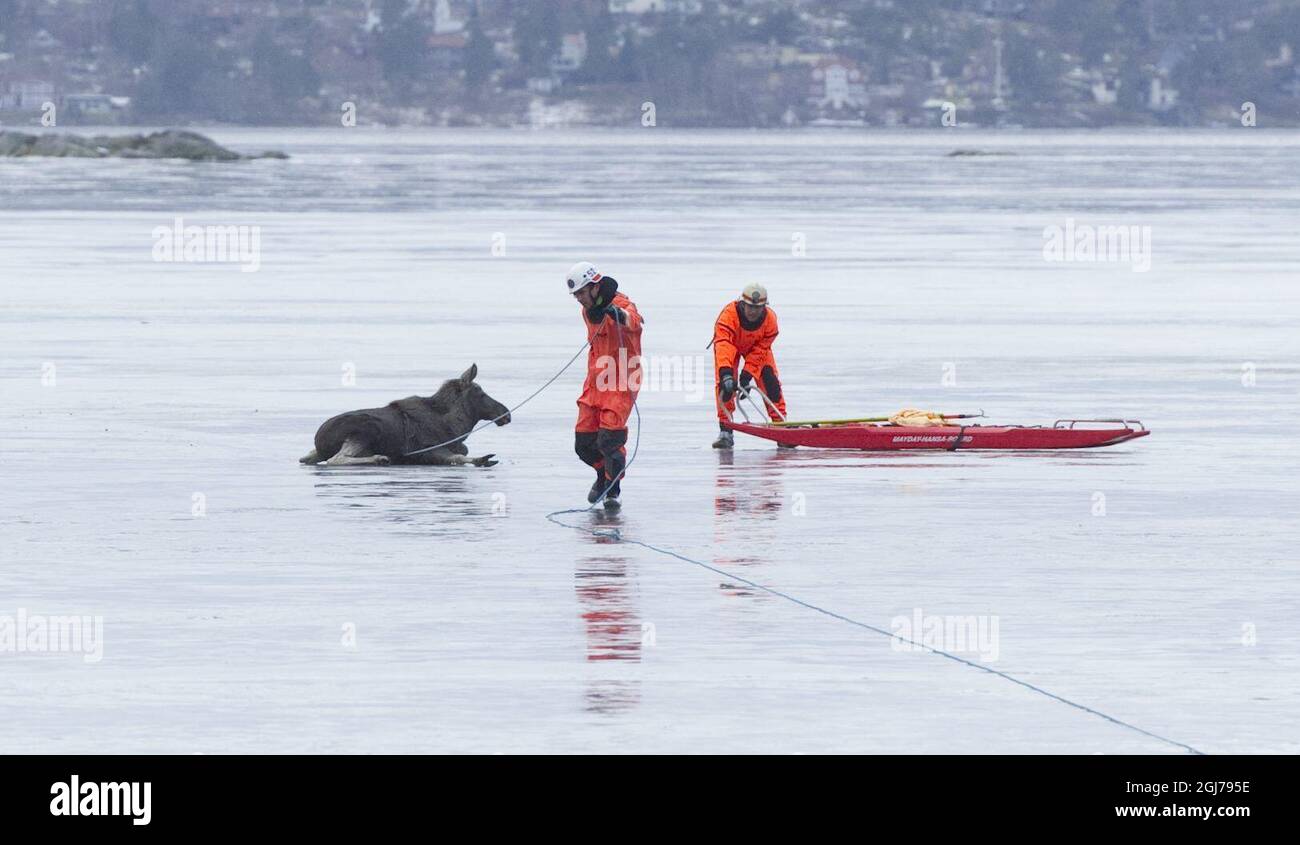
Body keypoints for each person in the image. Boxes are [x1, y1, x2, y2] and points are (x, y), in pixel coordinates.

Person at [567, 261, 644, 509]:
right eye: (575, 295)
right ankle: (603, 474)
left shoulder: (622, 305)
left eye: (581, 293)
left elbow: (635, 322)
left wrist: (617, 314)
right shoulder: (587, 311)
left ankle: (613, 488)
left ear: (594, 287)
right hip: (595, 382)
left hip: (621, 381)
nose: (579, 299)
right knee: (584, 444)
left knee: (609, 440)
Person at [711, 282, 788, 449]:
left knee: (771, 383)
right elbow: (724, 344)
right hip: (730, 345)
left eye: (758, 308)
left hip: (756, 348)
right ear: (743, 304)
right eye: (750, 307)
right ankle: (726, 430)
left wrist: (747, 375)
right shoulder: (728, 317)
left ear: (764, 308)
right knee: (725, 386)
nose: (753, 311)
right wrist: (726, 373)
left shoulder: (770, 321)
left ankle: (781, 426)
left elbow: (761, 350)